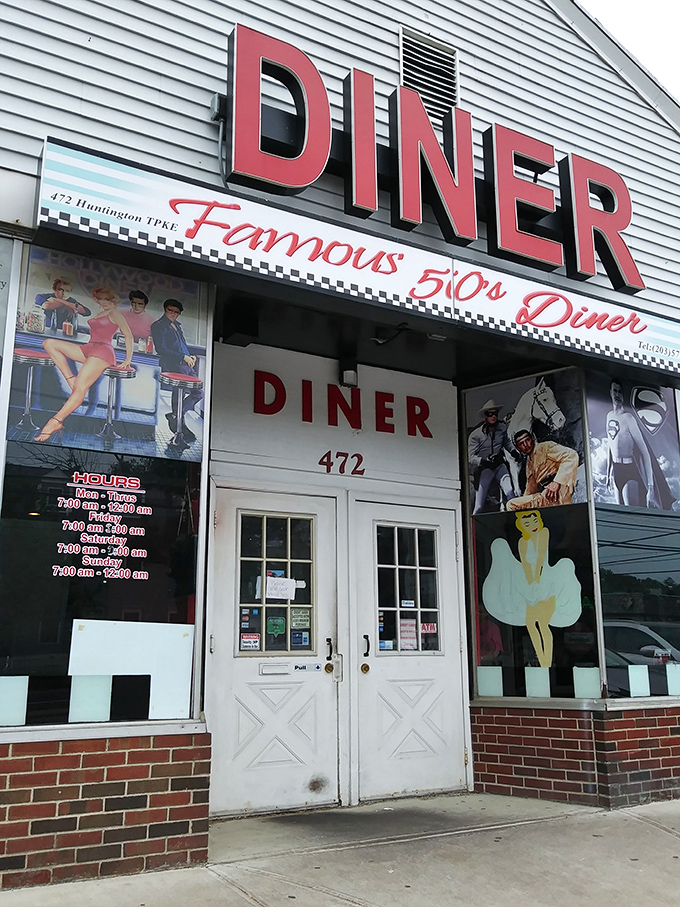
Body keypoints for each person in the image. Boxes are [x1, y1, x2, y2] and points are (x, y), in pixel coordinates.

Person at [482, 510, 582, 668]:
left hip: (546, 584)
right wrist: (529, 585)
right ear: (521, 527)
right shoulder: (522, 542)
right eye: (527, 524)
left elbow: (541, 560)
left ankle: (546, 663)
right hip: (531, 585)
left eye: (534, 521)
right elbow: (526, 565)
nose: (532, 526)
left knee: (543, 624)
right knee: (530, 624)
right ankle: (543, 664)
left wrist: (537, 582)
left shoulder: (543, 533)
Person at [34, 286, 134, 442]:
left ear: (113, 300)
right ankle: (70, 378)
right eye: (101, 299)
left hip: (103, 352)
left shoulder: (115, 313)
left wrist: (128, 359)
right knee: (49, 343)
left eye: (107, 299)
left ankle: (55, 422)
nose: (104, 302)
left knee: (80, 390)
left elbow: (128, 336)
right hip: (89, 348)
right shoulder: (102, 312)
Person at [151, 299, 203, 442]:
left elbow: (182, 345)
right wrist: (183, 356)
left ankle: (175, 415)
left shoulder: (177, 326)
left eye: (176, 312)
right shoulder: (158, 326)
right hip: (174, 364)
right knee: (178, 394)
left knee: (199, 392)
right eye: (170, 311)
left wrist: (190, 355)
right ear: (165, 309)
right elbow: (161, 349)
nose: (173, 314)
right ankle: (178, 424)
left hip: (186, 363)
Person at [605, 378, 657, 508]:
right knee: (620, 514)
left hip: (630, 471)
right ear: (610, 392)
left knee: (630, 513)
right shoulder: (609, 416)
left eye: (620, 392)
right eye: (615, 391)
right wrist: (608, 474)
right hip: (616, 471)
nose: (617, 395)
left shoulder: (629, 418)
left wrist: (651, 487)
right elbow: (610, 446)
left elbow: (645, 452)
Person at [508, 429, 578, 510]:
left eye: (527, 440)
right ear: (518, 448)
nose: (526, 445)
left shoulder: (545, 447)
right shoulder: (529, 465)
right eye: (521, 444)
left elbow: (571, 455)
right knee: (513, 505)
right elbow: (530, 490)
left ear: (532, 439)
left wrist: (556, 482)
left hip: (559, 489)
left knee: (511, 505)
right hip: (545, 495)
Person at [468, 399, 516, 513]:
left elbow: (507, 443)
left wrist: (513, 451)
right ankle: (473, 525)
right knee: (479, 504)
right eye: (490, 414)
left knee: (510, 492)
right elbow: (470, 457)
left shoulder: (502, 428)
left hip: (499, 465)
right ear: (485, 416)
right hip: (486, 468)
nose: (493, 416)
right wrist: (483, 461)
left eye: (495, 414)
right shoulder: (476, 435)